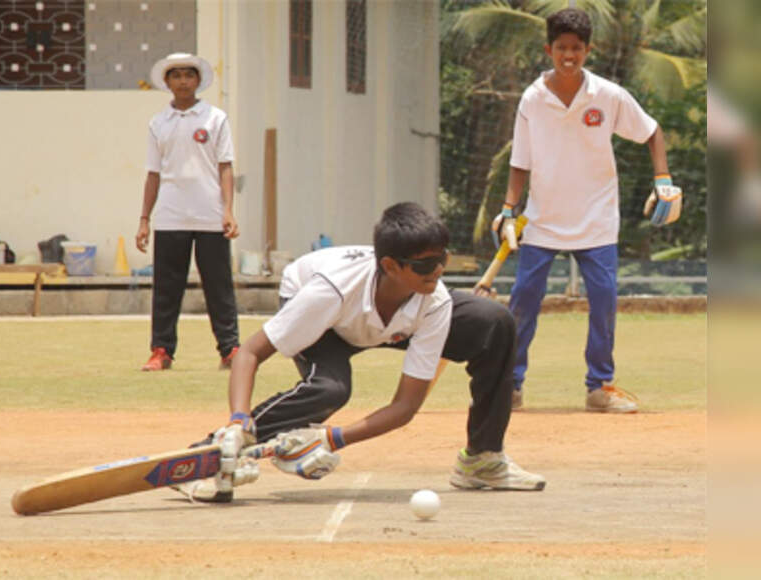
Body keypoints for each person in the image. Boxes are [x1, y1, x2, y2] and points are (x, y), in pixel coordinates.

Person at [177, 202, 545, 503]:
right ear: (390, 265)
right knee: (329, 389)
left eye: (442, 260)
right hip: (330, 319)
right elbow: (250, 352)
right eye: (423, 265)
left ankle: (482, 460)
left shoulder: (433, 299)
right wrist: (238, 420)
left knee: (493, 322)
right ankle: (209, 454)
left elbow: (405, 406)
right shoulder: (330, 291)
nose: (436, 271)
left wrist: (329, 438)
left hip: (390, 320)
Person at [481, 8, 683, 413]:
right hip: (543, 219)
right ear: (549, 50)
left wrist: (662, 179)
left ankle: (599, 387)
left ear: (588, 50)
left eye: (576, 48)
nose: (568, 55)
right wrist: (508, 210)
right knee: (523, 302)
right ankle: (510, 385)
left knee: (604, 302)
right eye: (561, 48)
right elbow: (520, 161)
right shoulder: (533, 99)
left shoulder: (607, 95)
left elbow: (652, 132)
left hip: (597, 219)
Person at [136, 53, 241, 372]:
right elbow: (153, 173)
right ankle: (161, 350)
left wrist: (228, 210)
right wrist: (144, 219)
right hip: (171, 214)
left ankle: (230, 349)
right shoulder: (158, 123)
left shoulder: (215, 118)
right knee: (166, 288)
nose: (183, 81)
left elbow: (225, 166)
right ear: (167, 82)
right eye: (176, 75)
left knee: (218, 285)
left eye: (189, 75)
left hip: (210, 214)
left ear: (198, 80)